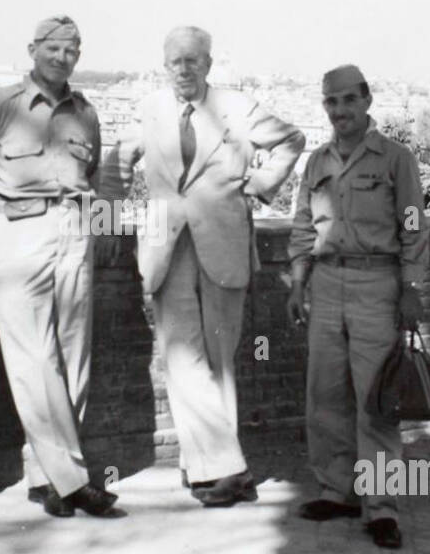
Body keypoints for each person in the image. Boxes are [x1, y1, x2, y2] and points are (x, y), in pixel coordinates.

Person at [101, 26, 304, 508]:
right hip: (166, 246)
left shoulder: (238, 107)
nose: (183, 68)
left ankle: (208, 469)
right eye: (174, 61)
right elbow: (117, 162)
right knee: (181, 357)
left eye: (193, 60)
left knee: (219, 362)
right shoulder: (149, 109)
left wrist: (257, 184)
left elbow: (291, 141)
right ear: (163, 65)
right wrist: (107, 222)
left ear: (209, 65)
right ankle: (226, 468)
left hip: (224, 244)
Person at [0, 15, 121, 519]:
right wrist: (3, 225)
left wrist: (103, 228)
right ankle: (73, 481)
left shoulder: (87, 114)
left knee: (72, 359)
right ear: (32, 49)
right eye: (54, 47)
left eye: (73, 48)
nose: (63, 56)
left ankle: (45, 477)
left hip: (74, 232)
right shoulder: (1, 107)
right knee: (33, 360)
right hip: (17, 231)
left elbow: (95, 178)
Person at [286, 64, 429, 548]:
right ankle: (337, 492)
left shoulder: (395, 159)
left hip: (376, 285)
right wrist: (298, 281)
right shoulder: (317, 162)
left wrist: (411, 286)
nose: (339, 111)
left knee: (376, 402)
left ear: (367, 101)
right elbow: (305, 223)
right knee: (325, 395)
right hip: (326, 285)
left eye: (348, 100)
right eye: (331, 102)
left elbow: (413, 224)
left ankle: (381, 507)